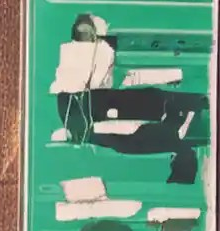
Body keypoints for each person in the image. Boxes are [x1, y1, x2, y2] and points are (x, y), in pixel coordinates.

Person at [49, 14, 208, 183]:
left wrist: (175, 75)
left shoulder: (86, 79)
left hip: (126, 117)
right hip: (117, 124)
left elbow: (125, 79)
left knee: (164, 114)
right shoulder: (79, 85)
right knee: (174, 138)